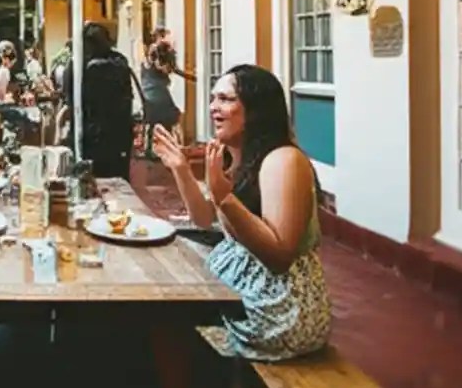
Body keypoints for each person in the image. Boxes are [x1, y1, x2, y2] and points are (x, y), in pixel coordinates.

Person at [152, 64, 330, 363]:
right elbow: (203, 218)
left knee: (166, 322)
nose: (213, 107)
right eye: (213, 98)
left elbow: (279, 255)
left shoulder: (284, 161)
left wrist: (225, 197)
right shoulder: (236, 155)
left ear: (256, 109)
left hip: (279, 310)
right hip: (242, 293)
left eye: (225, 99)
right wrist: (180, 169)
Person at [62, 22, 134, 179]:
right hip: (118, 136)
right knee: (118, 181)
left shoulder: (78, 66)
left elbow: (69, 97)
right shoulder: (120, 63)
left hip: (88, 136)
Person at [138, 40, 183, 158]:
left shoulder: (145, 63)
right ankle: (169, 147)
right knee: (171, 116)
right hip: (158, 95)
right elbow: (167, 69)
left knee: (153, 120)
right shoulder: (159, 64)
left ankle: (149, 148)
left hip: (148, 96)